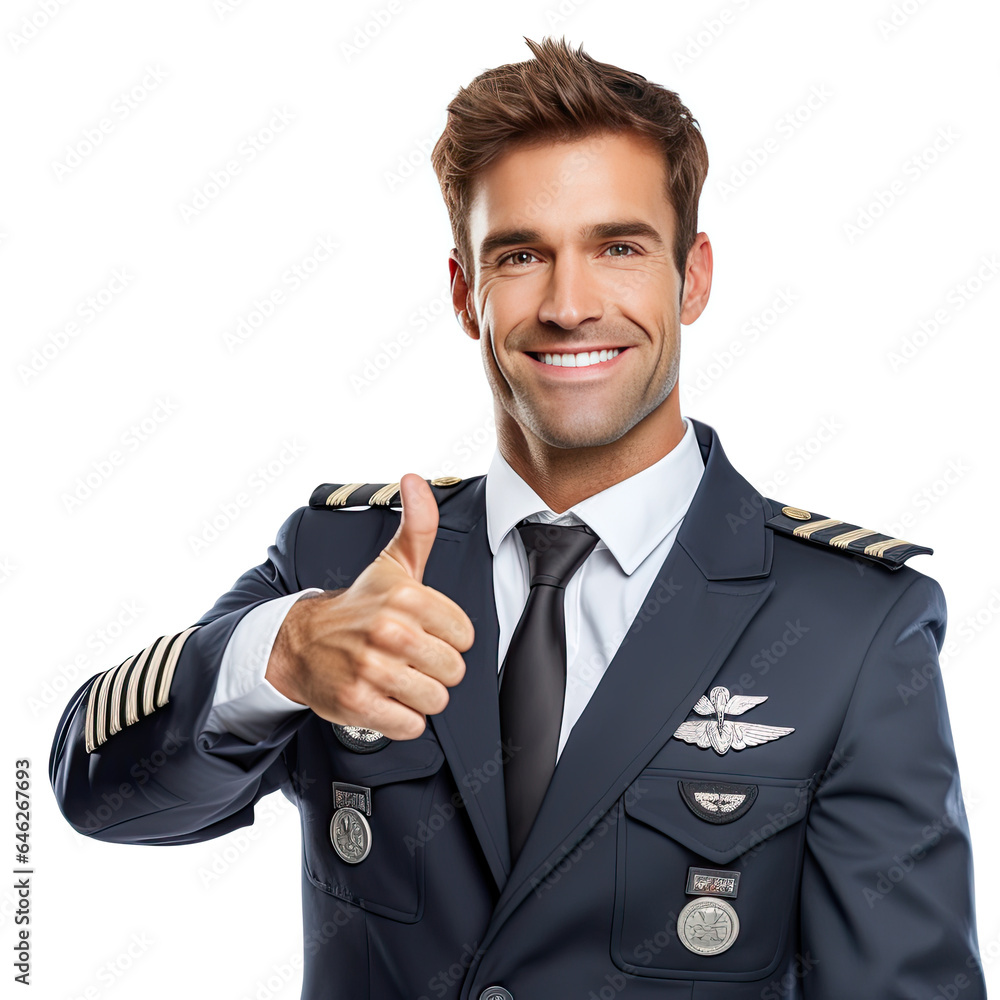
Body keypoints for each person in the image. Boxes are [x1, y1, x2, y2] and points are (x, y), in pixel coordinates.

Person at [49, 35, 984, 999]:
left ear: (692, 277)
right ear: (465, 293)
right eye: (521, 255)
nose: (571, 306)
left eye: (618, 248)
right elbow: (98, 795)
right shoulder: (343, 563)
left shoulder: (851, 623)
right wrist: (282, 654)